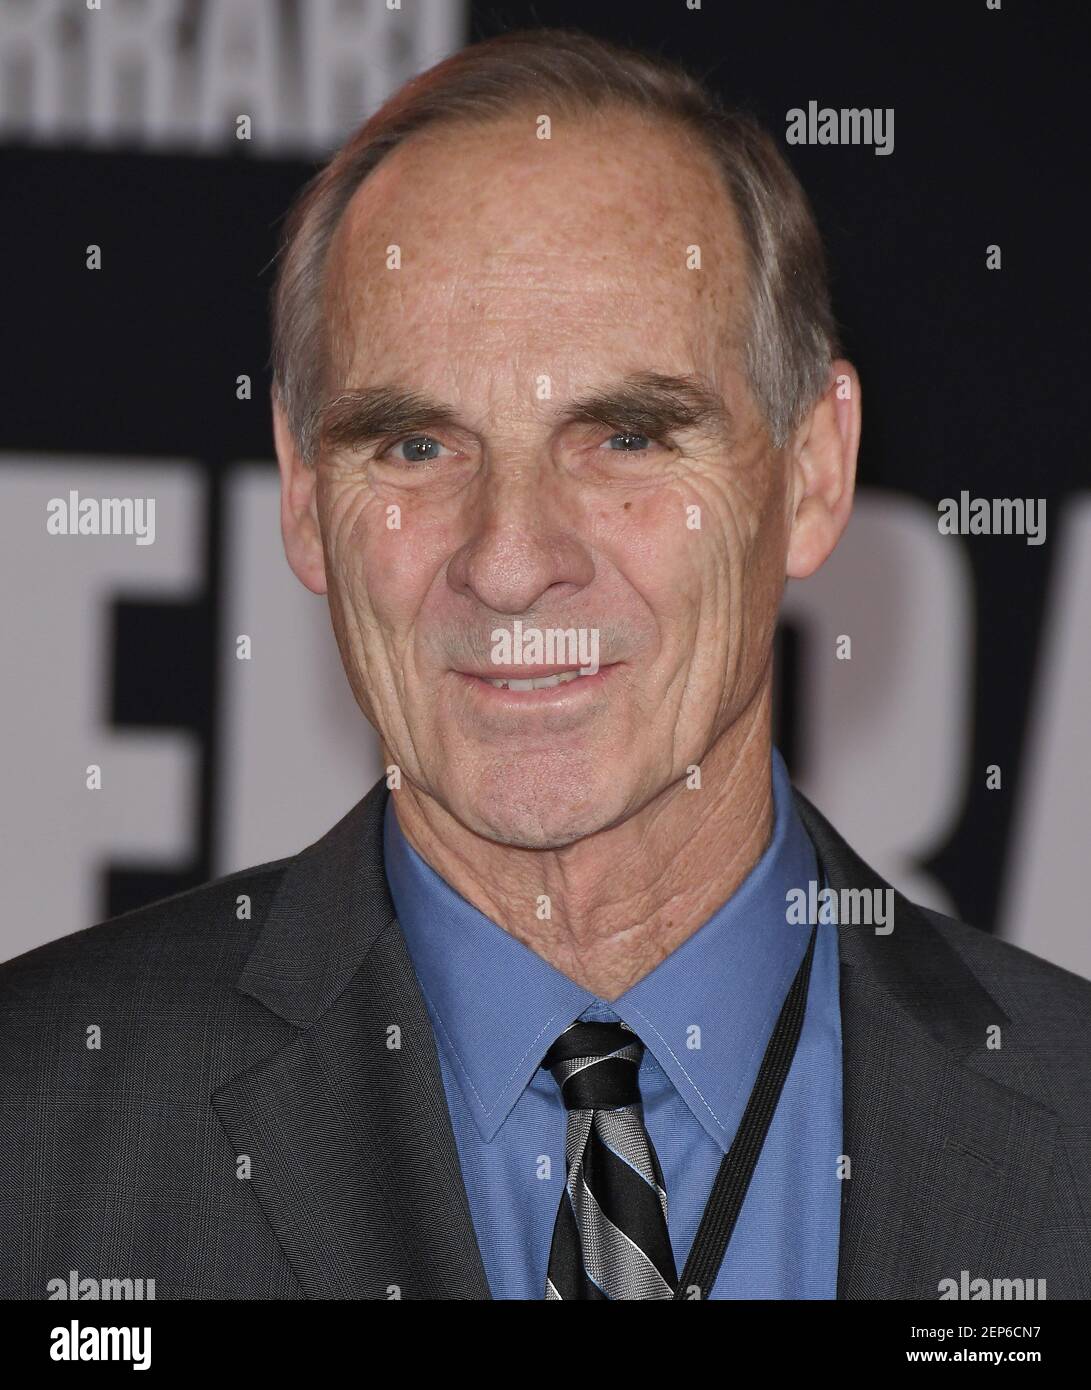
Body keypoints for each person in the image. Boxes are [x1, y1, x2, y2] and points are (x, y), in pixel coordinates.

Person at [2, 29, 1088, 1301]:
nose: (510, 560)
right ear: (303, 493)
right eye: (413, 445)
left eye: (624, 435)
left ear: (810, 470)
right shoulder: (38, 1128)